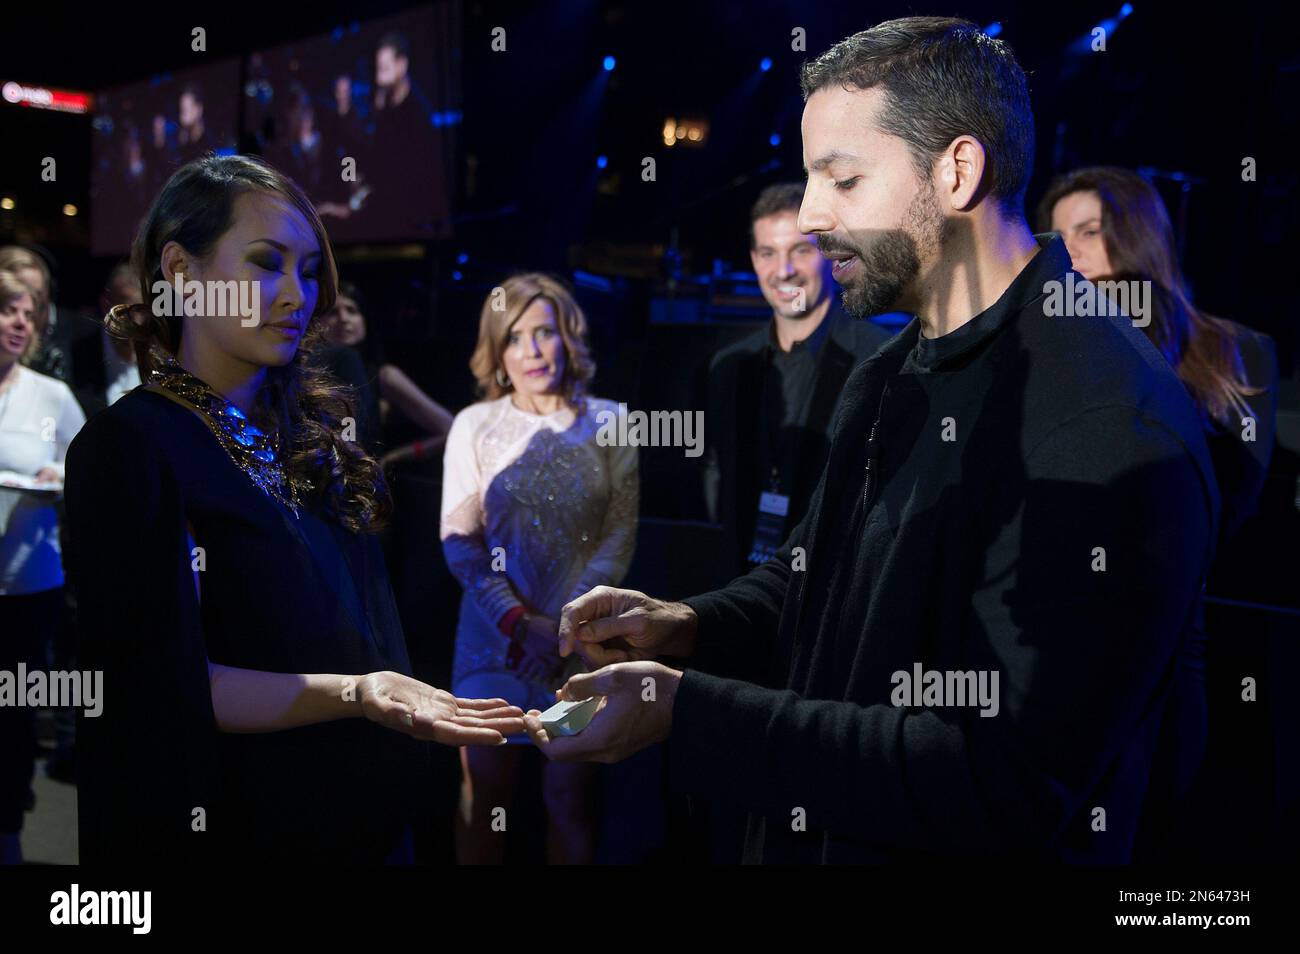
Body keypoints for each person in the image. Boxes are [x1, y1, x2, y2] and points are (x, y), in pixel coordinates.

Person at [526, 17, 1219, 864]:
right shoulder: (891, 369)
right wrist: (684, 626)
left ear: (957, 171)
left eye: (843, 179)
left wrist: (688, 711)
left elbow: (999, 779)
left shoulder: (1109, 423)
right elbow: (818, 578)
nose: (813, 217)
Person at [63, 154, 524, 864]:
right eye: (265, 263)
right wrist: (359, 693)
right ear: (182, 272)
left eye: (309, 271)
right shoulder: (130, 448)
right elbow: (165, 688)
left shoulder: (310, 438)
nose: (296, 295)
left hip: (362, 821)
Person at [1040, 166, 1280, 860]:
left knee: (1163, 834)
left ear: (1137, 239)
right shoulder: (1049, 349)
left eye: (1091, 232)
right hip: (1063, 634)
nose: (1074, 252)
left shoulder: (1230, 349)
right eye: (1058, 236)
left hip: (1179, 639)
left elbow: (1230, 508)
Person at [441, 272, 638, 863]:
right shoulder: (473, 425)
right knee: (486, 797)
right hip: (490, 642)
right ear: (498, 350)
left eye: (544, 333)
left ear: (568, 337)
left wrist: (560, 630)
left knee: (568, 797)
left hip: (578, 644)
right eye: (517, 337)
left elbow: (618, 535)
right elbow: (460, 544)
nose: (532, 350)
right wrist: (517, 622)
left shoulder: (611, 420)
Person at [705, 182, 893, 583]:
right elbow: (716, 481)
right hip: (738, 590)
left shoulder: (882, 358)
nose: (783, 270)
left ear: (826, 253)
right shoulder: (729, 366)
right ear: (754, 260)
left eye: (800, 251)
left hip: (836, 590)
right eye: (768, 253)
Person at [0, 269, 86, 864]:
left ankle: (7, 828)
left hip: (28, 588)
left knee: (9, 718)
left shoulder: (50, 395)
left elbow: (86, 463)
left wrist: (61, 475)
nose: (21, 323)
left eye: (28, 314)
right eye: (8, 310)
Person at [317, 281, 453, 463]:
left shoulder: (383, 375)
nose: (343, 318)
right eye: (333, 312)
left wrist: (395, 457)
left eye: (352, 311)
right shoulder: (307, 373)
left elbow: (449, 427)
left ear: (365, 321)